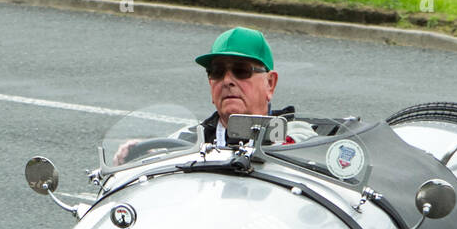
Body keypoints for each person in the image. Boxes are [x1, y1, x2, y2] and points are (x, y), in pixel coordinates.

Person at [114, 26, 316, 164]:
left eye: (241, 70)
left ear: (270, 84)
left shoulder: (296, 133)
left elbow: (300, 151)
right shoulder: (188, 138)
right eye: (217, 72)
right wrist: (138, 156)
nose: (227, 80)